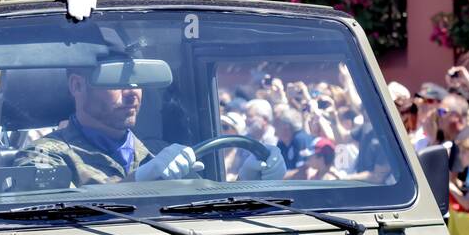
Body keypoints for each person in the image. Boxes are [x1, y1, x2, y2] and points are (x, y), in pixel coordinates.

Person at [15, 67, 286, 186]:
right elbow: (52, 223)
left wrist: (247, 184)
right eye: (117, 81)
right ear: (77, 85)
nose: (133, 93)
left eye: (137, 82)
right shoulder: (43, 156)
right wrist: (139, 183)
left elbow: (204, 218)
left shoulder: (159, 153)